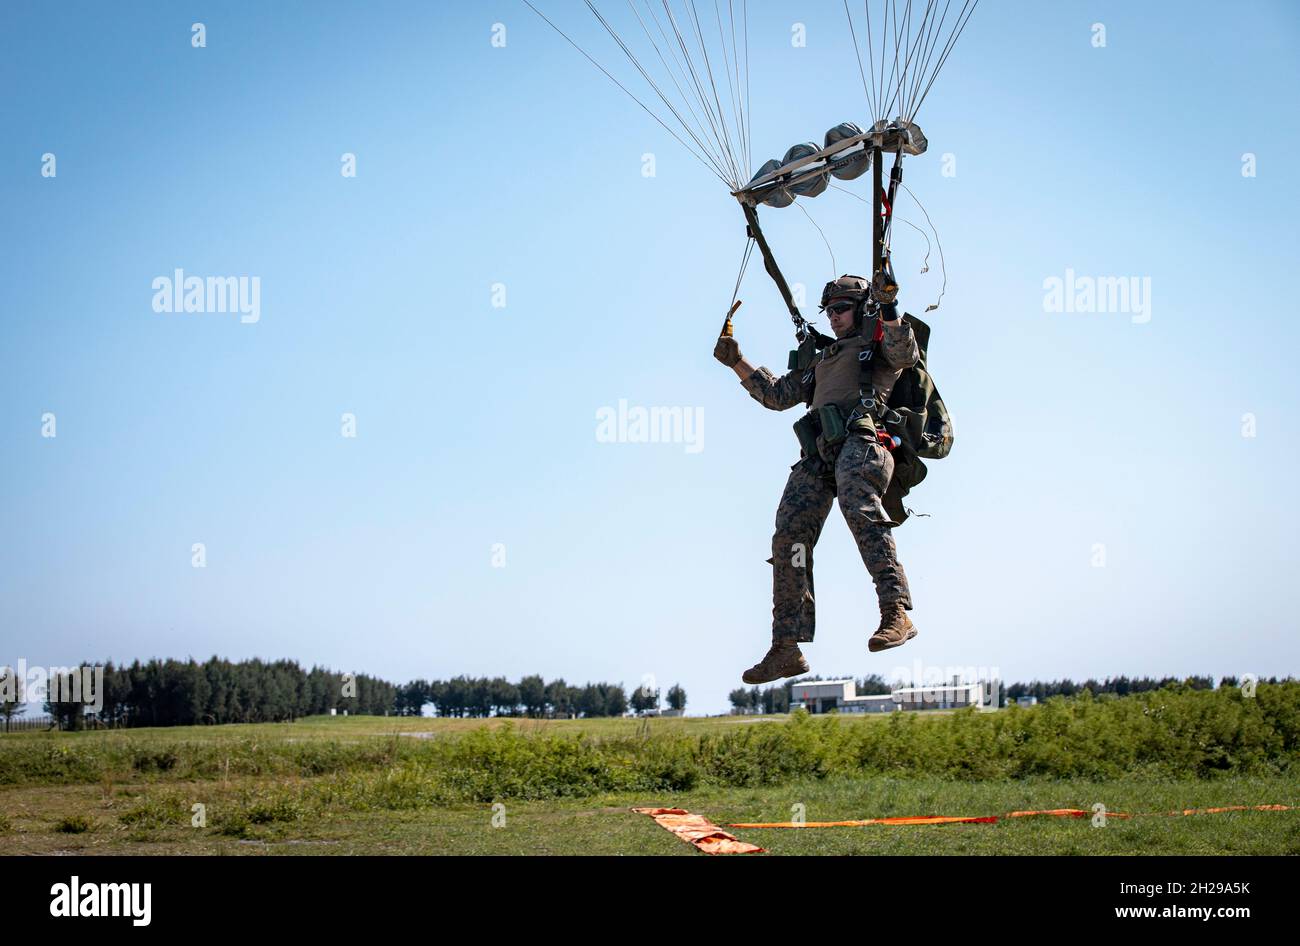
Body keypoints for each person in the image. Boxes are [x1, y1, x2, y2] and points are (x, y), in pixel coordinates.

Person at [713, 275, 921, 684]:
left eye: (841, 309)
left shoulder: (874, 346)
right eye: (829, 311)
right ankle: (786, 647)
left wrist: (890, 305)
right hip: (820, 452)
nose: (833, 318)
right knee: (789, 535)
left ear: (861, 309)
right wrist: (737, 361)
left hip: (863, 443)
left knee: (858, 506)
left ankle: (895, 611)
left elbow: (904, 353)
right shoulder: (821, 361)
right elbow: (776, 394)